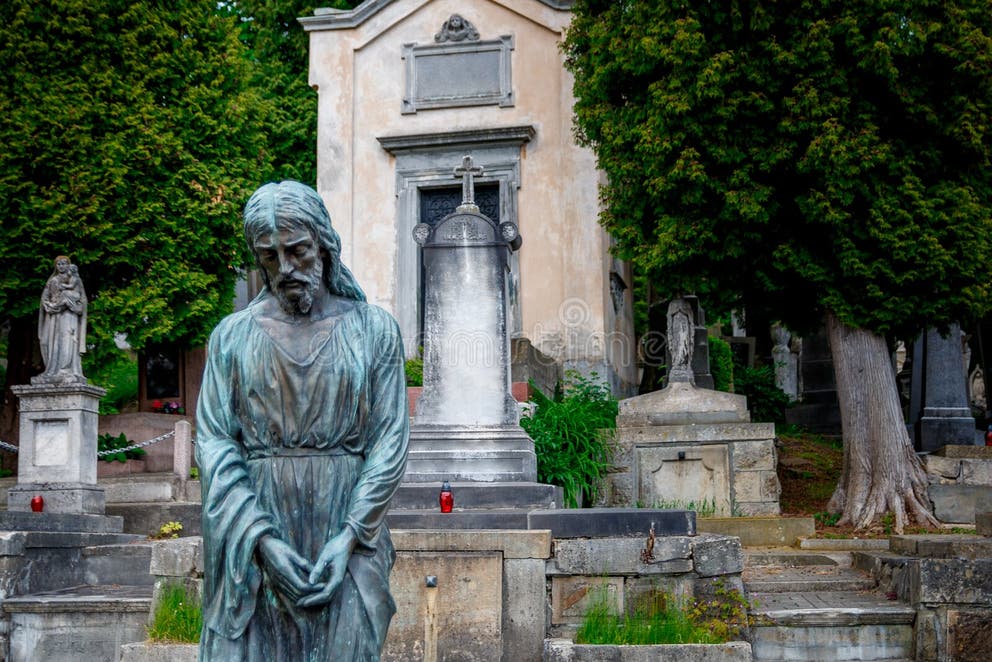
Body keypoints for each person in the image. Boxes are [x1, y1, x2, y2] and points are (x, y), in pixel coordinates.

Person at [196, 181, 409, 661]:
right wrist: (262, 541)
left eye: (298, 251)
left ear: (324, 244)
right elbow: (214, 443)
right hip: (256, 527)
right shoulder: (231, 338)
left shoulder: (374, 331)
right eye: (269, 257)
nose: (286, 269)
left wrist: (350, 536)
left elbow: (390, 440)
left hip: (349, 528)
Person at [34, 255, 87, 384]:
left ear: (68, 265)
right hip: (53, 317)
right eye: (58, 264)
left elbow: (82, 300)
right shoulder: (52, 281)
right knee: (49, 342)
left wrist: (73, 305)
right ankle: (52, 370)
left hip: (69, 317)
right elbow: (45, 298)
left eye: (64, 264)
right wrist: (49, 305)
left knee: (67, 341)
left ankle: (66, 370)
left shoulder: (75, 279)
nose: (61, 266)